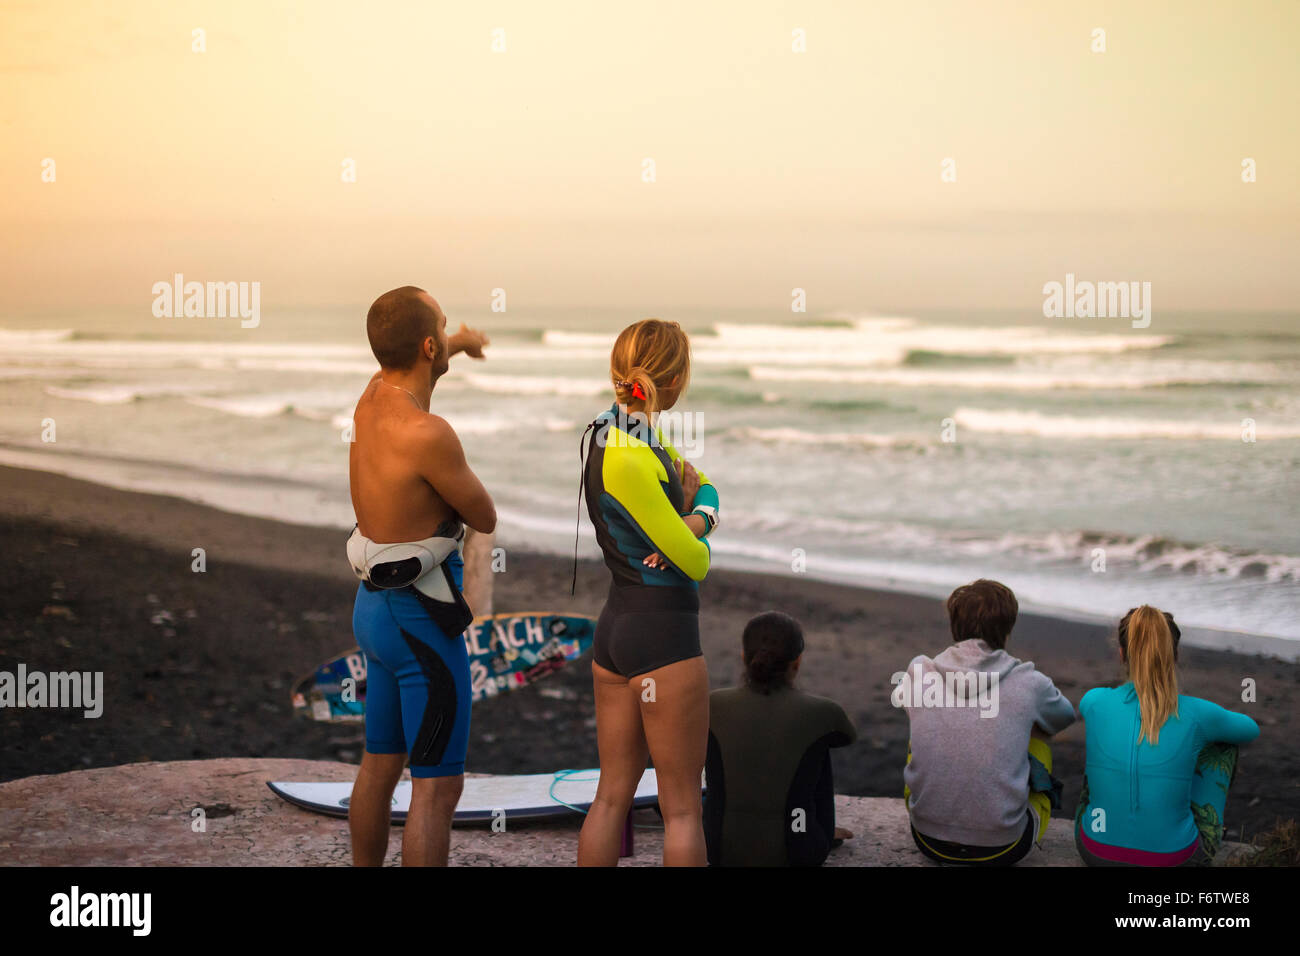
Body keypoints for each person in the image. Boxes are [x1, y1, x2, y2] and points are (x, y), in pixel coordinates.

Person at [345, 286, 496, 866]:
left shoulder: (369, 397)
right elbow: (484, 515)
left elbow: (420, 361)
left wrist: (460, 341)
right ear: (427, 345)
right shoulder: (431, 435)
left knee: (380, 764)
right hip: (423, 624)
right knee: (436, 789)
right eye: (443, 326)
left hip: (372, 613)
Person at [574, 318, 720, 866]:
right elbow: (694, 560)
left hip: (615, 632)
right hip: (664, 636)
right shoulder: (638, 454)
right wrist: (700, 520)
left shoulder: (616, 435)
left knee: (612, 795)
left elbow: (700, 482)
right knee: (682, 809)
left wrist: (692, 512)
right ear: (676, 378)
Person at [900, 579, 1076, 865]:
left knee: (923, 731)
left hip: (928, 840)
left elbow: (911, 708)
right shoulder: (1029, 682)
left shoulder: (919, 670)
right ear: (1007, 628)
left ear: (953, 625)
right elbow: (1063, 717)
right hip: (1004, 847)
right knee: (1037, 737)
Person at [1074, 605, 1260, 867]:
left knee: (1106, 737)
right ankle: (1205, 824)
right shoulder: (1198, 713)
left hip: (1096, 851)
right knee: (1222, 745)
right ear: (1174, 655)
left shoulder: (1093, 700)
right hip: (1173, 859)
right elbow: (1250, 729)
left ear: (1121, 654)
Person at [704, 611, 857, 866]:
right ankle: (818, 829)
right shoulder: (823, 712)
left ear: (744, 657)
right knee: (818, 742)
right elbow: (848, 736)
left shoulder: (712, 704)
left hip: (718, 848)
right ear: (797, 662)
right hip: (799, 852)